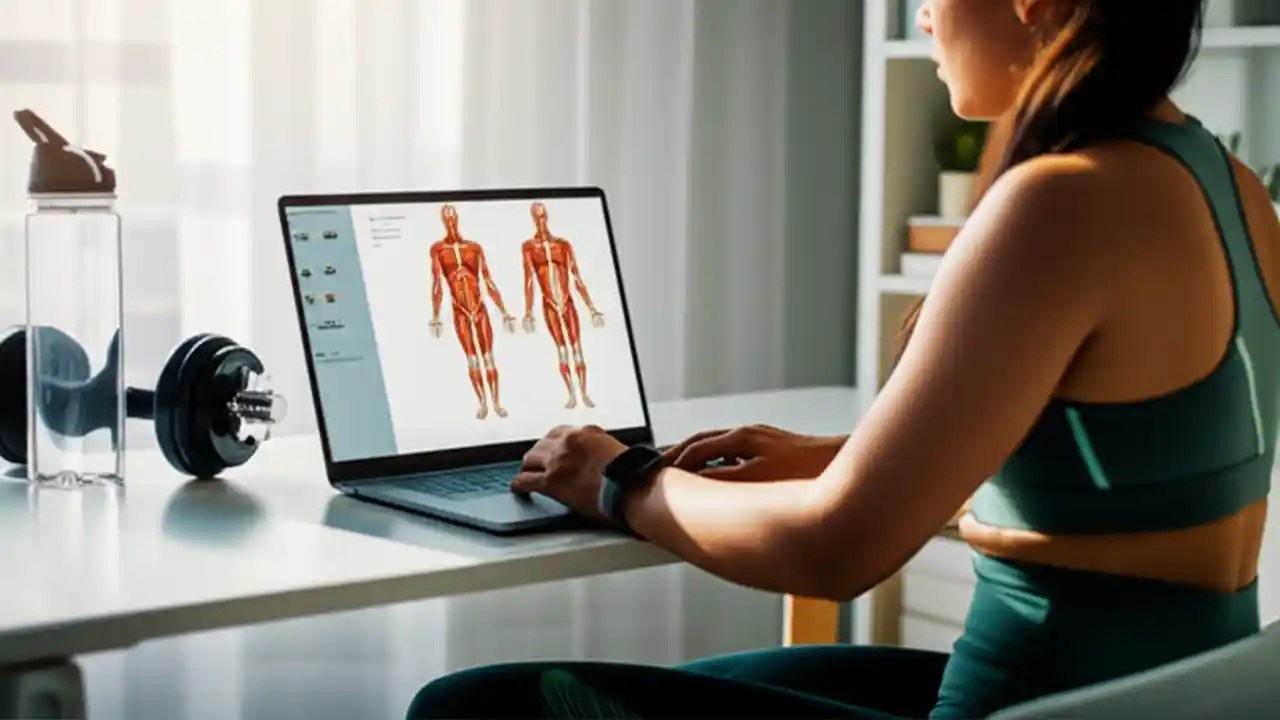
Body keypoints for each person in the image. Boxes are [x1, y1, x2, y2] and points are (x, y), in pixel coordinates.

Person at [408, 1, 1280, 717]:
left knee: (470, 706)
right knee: (717, 679)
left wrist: (619, 479)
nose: (924, 16)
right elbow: (1123, 485)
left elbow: (834, 551)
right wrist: (847, 459)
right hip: (1159, 695)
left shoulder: (1060, 203)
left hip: (1023, 703)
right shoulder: (1229, 183)